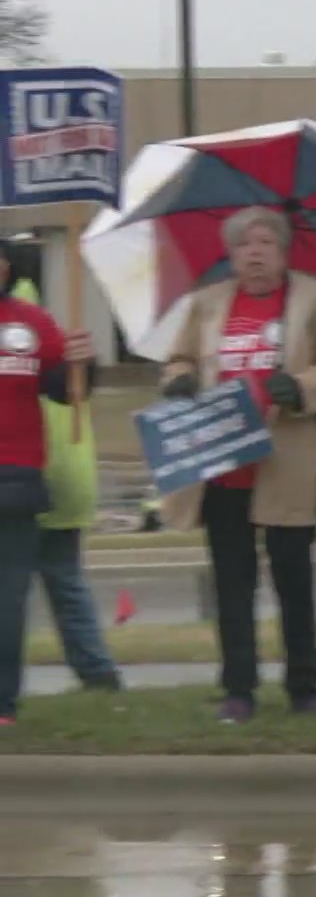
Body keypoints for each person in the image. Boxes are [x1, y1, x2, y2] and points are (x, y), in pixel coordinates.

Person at [157, 207, 316, 724]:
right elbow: (177, 360)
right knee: (231, 583)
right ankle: (239, 689)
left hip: (288, 461)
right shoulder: (207, 304)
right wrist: (178, 380)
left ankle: (304, 686)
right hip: (225, 463)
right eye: (245, 244)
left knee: (294, 579)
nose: (255, 252)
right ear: (231, 253)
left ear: (283, 250)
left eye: (266, 242)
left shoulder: (313, 298)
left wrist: (304, 387)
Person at [0, 236, 99, 725]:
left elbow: (66, 392)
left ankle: (3, 702)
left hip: (15, 478)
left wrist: (83, 362)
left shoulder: (32, 322)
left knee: (8, 597)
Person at [13, 278, 121, 691]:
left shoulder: (22, 340)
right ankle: (98, 672)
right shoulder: (56, 337)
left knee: (11, 588)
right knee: (66, 582)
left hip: (28, 480)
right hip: (71, 481)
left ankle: (8, 683)